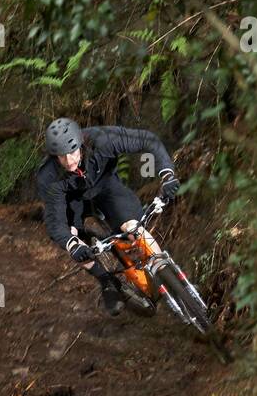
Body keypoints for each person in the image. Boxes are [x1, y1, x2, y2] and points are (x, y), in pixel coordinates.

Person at [36, 117, 180, 316]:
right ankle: (106, 280)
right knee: (71, 237)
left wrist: (167, 174)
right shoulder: (49, 176)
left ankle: (163, 266)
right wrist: (72, 244)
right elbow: (54, 221)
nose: (68, 161)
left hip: (106, 186)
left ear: (81, 144)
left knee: (132, 227)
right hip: (73, 200)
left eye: (72, 152)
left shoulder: (103, 139)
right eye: (61, 156)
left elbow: (149, 140)